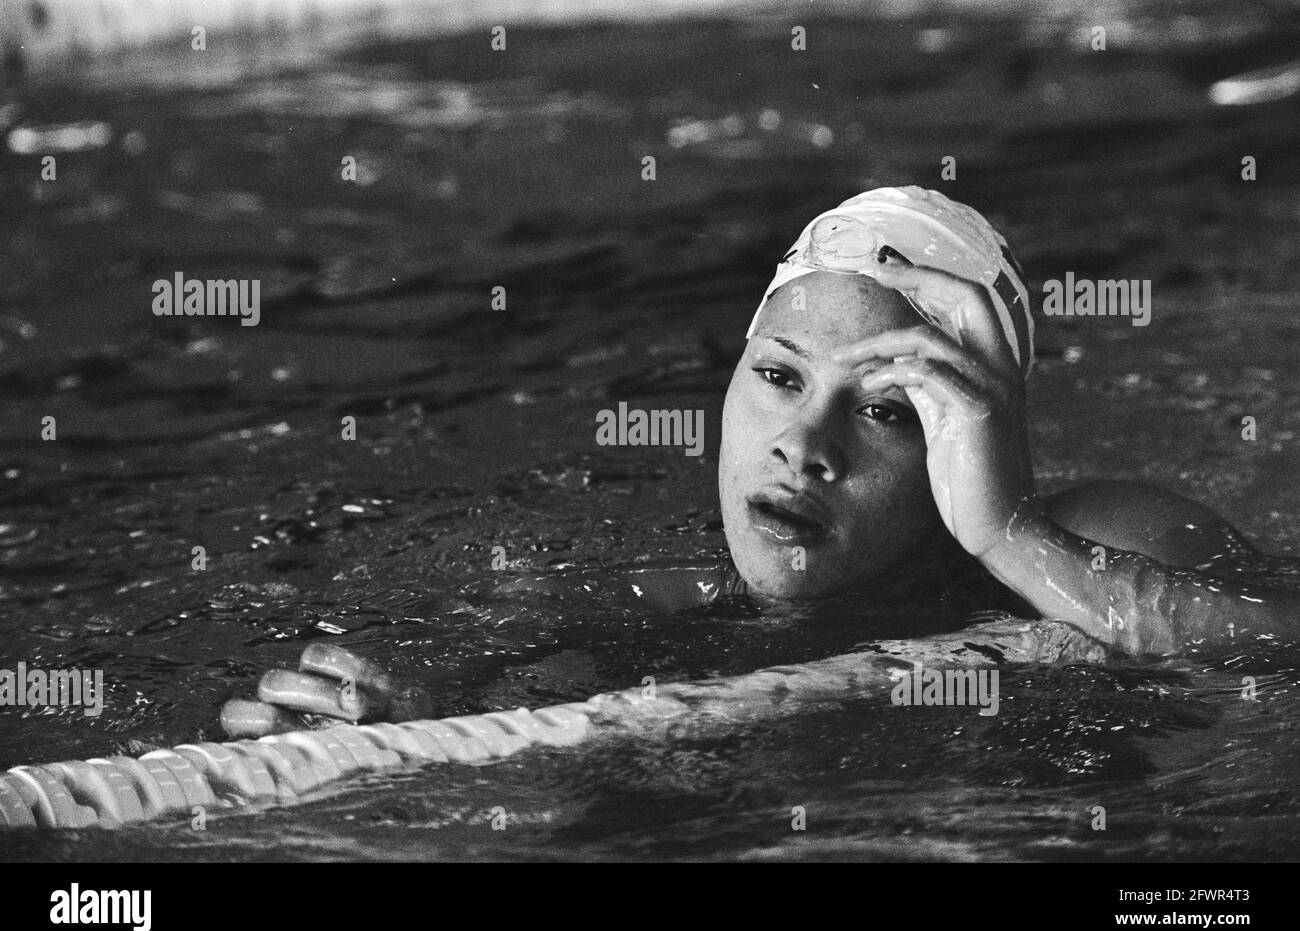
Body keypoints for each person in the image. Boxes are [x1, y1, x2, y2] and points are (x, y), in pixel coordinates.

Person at [220, 186, 1299, 738]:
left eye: (883, 407)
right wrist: (408, 730)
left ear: (972, 443)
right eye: (779, 377)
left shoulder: (1100, 539)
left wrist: (1007, 529)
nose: (804, 446)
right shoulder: (658, 607)